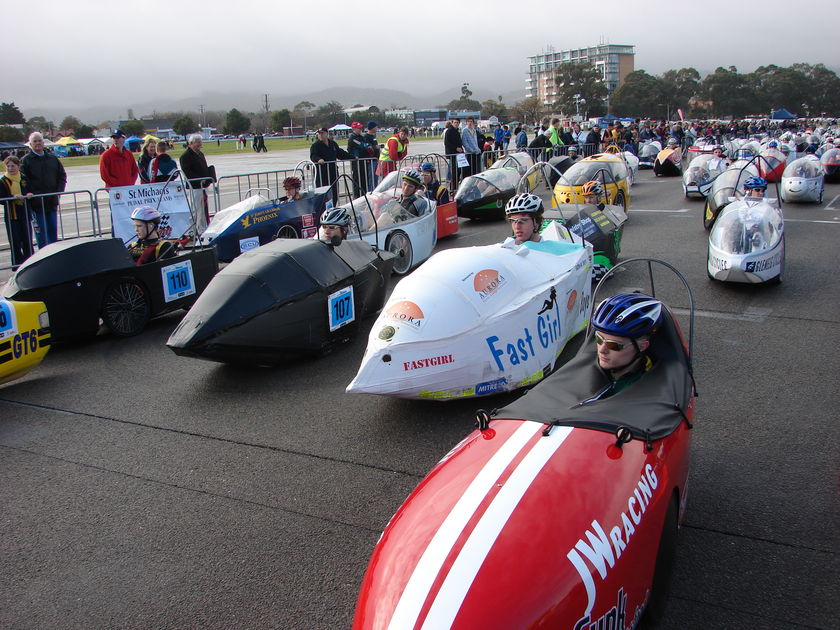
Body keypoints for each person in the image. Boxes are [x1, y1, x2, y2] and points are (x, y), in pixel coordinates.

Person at [583, 293, 663, 401]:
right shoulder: (584, 364)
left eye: (614, 345)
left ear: (642, 346)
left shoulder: (650, 391)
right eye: (599, 339)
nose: (602, 350)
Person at [21, 131, 67, 248]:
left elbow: (62, 176)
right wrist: (31, 194)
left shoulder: (52, 159)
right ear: (30, 144)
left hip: (52, 202)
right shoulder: (26, 161)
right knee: (41, 233)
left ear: (43, 142)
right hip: (37, 204)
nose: (38, 143)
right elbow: (23, 180)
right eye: (35, 141)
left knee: (52, 232)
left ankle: (54, 256)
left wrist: (58, 192)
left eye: (40, 140)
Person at [1, 155, 34, 268]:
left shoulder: (23, 178)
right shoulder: (3, 181)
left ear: (18, 166)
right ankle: (17, 264)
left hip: (24, 213)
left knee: (27, 239)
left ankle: (29, 262)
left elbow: (29, 189)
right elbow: (1, 197)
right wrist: (12, 197)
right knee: (15, 240)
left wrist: (29, 193)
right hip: (11, 215)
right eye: (8, 166)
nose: (10, 168)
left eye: (13, 166)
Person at [179, 133, 215, 235]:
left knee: (202, 210)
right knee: (194, 209)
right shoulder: (185, 156)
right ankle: (192, 230)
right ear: (191, 143)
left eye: (200, 142)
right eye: (197, 142)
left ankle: (202, 228)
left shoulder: (200, 154)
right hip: (194, 187)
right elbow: (187, 172)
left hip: (203, 186)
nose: (199, 144)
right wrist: (199, 179)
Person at [310, 128, 353, 202]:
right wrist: (318, 159)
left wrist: (353, 157)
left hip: (333, 172)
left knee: (334, 192)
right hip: (321, 174)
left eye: (322, 133)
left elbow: (340, 153)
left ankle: (333, 207)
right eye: (319, 133)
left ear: (327, 134)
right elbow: (313, 155)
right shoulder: (315, 145)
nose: (320, 135)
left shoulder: (333, 144)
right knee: (323, 194)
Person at [347, 121, 372, 198]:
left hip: (363, 162)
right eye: (358, 128)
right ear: (354, 129)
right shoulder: (352, 138)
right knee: (357, 180)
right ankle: (356, 196)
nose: (360, 129)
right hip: (356, 162)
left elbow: (367, 145)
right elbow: (362, 145)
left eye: (360, 128)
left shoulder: (361, 137)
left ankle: (364, 195)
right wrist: (366, 146)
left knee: (364, 180)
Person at [443, 118, 465, 187]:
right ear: (452, 123)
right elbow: (446, 143)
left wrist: (461, 150)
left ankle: (456, 185)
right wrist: (456, 148)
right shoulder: (449, 131)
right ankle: (453, 187)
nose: (456, 124)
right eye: (455, 122)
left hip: (459, 154)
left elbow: (459, 142)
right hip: (452, 154)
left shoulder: (457, 131)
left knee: (459, 171)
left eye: (457, 122)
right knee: (454, 172)